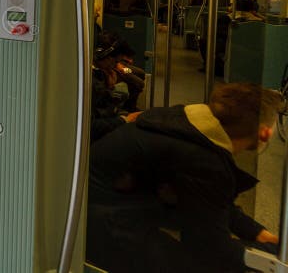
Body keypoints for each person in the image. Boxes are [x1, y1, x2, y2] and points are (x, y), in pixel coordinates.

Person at [87, 82, 283, 273]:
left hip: (99, 204)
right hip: (101, 224)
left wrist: (256, 233)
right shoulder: (205, 160)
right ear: (264, 133)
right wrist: (274, 257)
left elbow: (210, 202)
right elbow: (213, 249)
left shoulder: (186, 124)